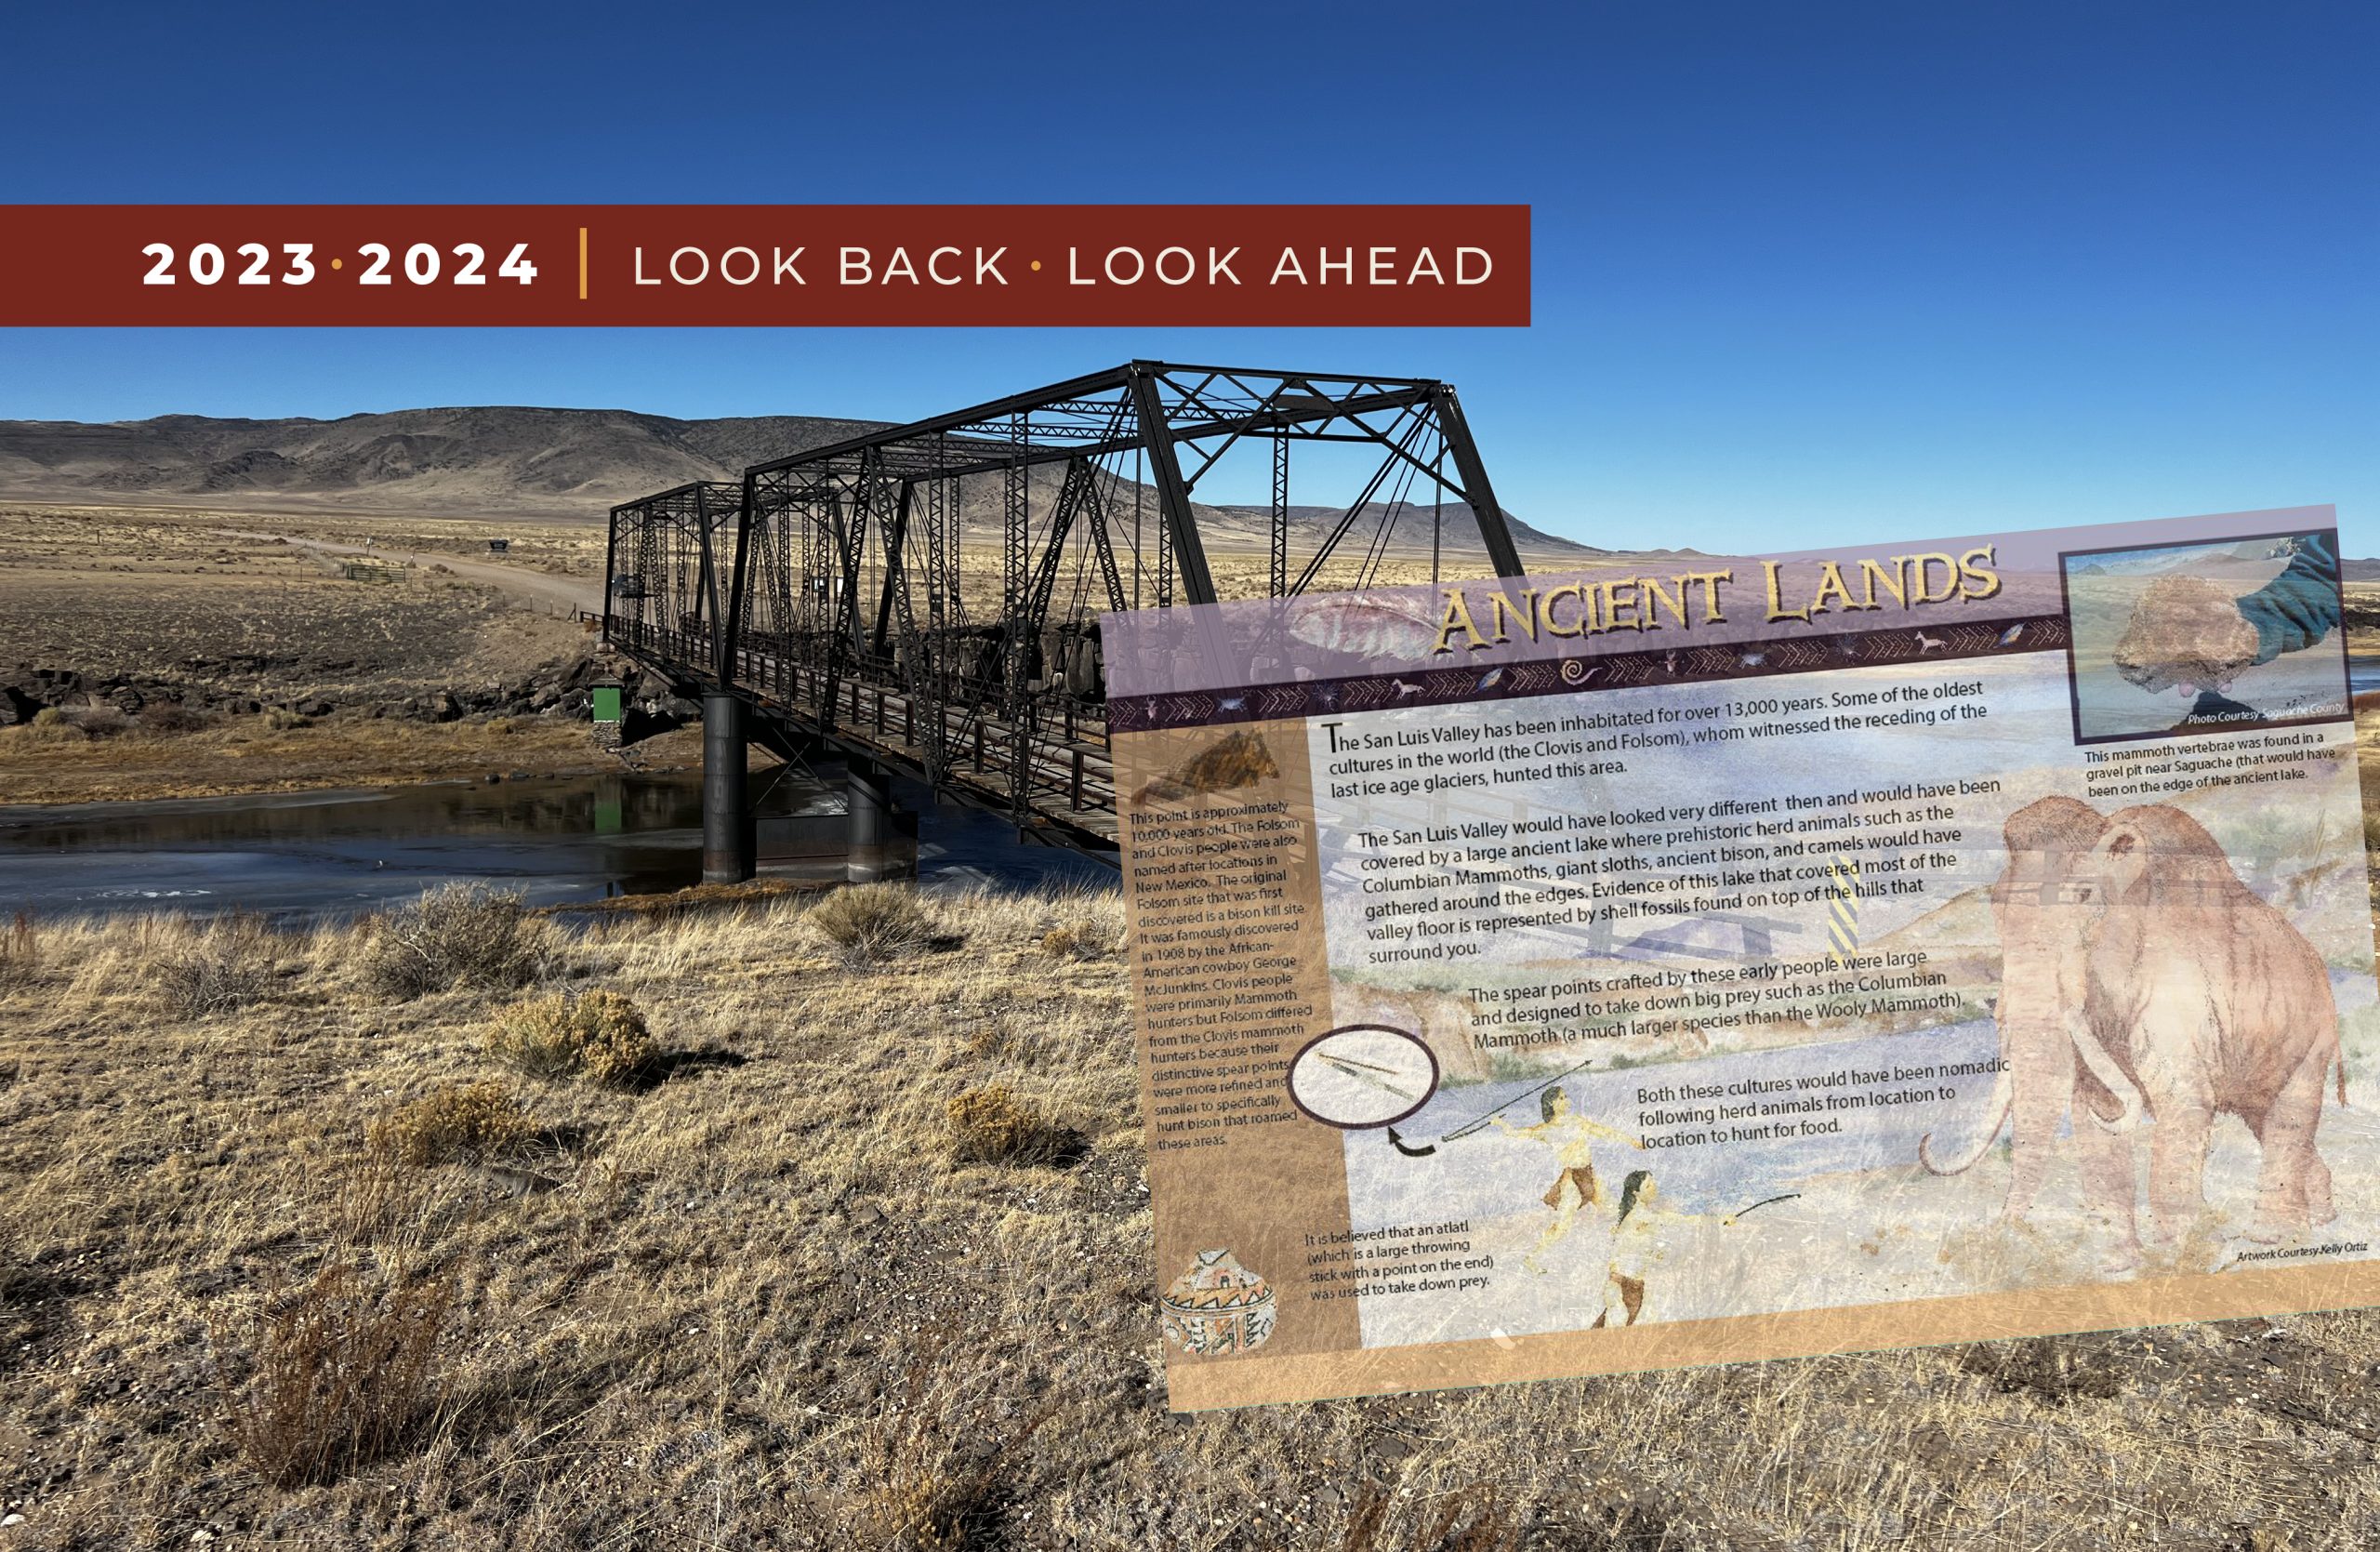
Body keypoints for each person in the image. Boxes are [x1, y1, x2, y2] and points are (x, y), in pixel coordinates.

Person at [1491, 1085, 1646, 1274]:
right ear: (1551, 1103)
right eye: (1561, 1098)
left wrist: (1631, 1140)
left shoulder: (1577, 1121)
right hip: (1572, 1180)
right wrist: (1500, 1123)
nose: (1566, 1101)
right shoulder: (1546, 1130)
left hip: (1589, 1176)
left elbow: (1604, 1131)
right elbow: (1517, 1133)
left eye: (1566, 1096)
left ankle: (1634, 1249)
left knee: (1617, 1212)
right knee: (1563, 1225)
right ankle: (1531, 1258)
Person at [1593, 1170, 1736, 1328]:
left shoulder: (1644, 1216)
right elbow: (1676, 1220)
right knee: (1613, 1331)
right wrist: (1718, 1221)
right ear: (1636, 1193)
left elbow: (1640, 1249)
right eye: (1648, 1186)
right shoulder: (1639, 1215)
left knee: (1609, 1331)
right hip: (1620, 1284)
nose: (1654, 1188)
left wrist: (1656, 1255)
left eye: (1653, 1183)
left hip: (1635, 1288)